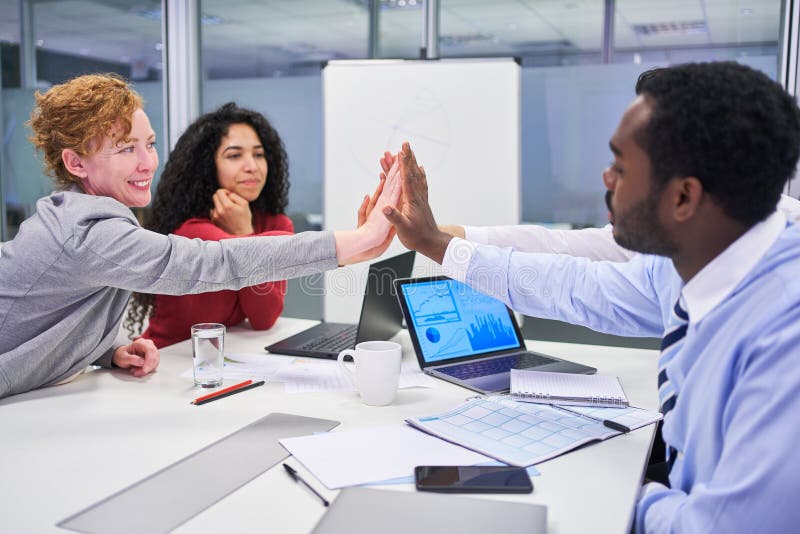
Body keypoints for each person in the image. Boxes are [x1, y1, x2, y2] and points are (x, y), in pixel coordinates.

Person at [384, 62, 800, 532]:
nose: (606, 178)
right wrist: (436, 244)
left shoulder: (785, 338)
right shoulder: (693, 259)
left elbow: (723, 527)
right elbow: (574, 285)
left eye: (621, 167)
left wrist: (621, 494)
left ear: (684, 198)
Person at [0, 73, 399, 400]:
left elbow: (51, 315)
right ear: (76, 162)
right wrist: (356, 240)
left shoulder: (92, 219)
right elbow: (214, 262)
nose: (147, 162)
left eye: (150, 144)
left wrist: (107, 350)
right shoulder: (88, 230)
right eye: (126, 149)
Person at [125, 103, 293, 347]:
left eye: (258, 154)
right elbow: (263, 317)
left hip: (219, 361)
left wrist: (243, 231)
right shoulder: (192, 233)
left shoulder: (276, 224)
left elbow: (264, 317)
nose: (252, 166)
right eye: (234, 155)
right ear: (206, 167)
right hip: (164, 363)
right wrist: (245, 234)